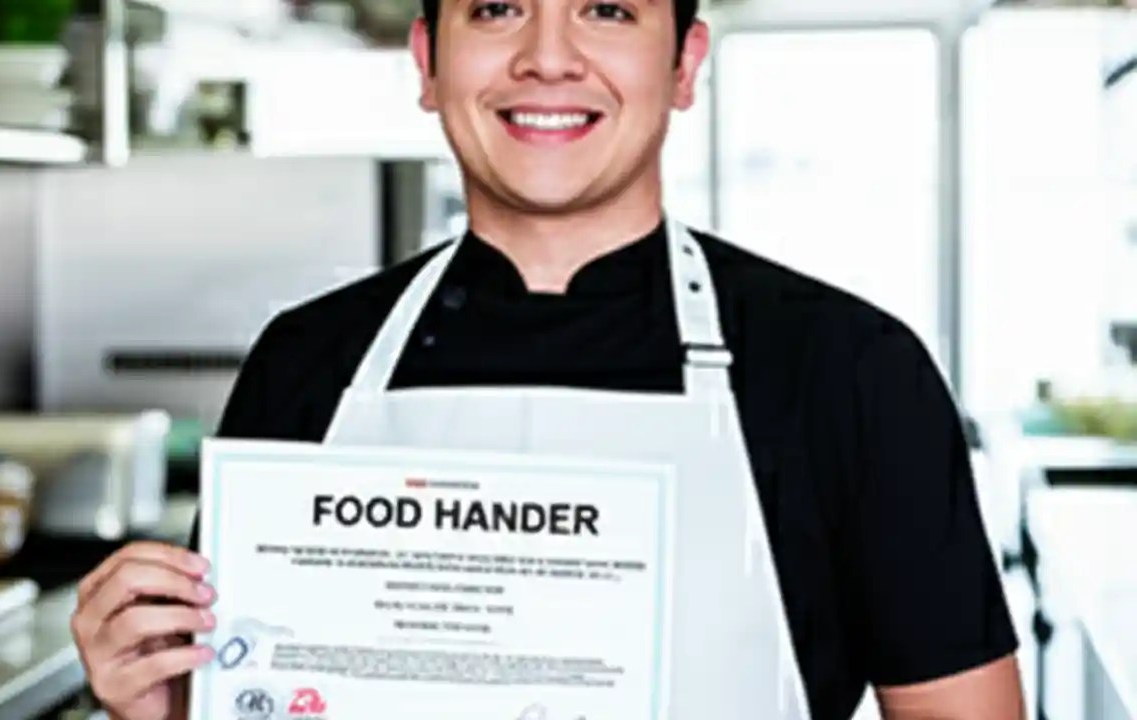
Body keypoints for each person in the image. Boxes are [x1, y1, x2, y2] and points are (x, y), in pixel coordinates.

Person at [70, 1, 1027, 718]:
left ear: (686, 64)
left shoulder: (851, 370)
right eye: (496, 10)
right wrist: (155, 709)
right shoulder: (308, 362)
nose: (548, 59)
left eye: (606, 9)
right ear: (428, 62)